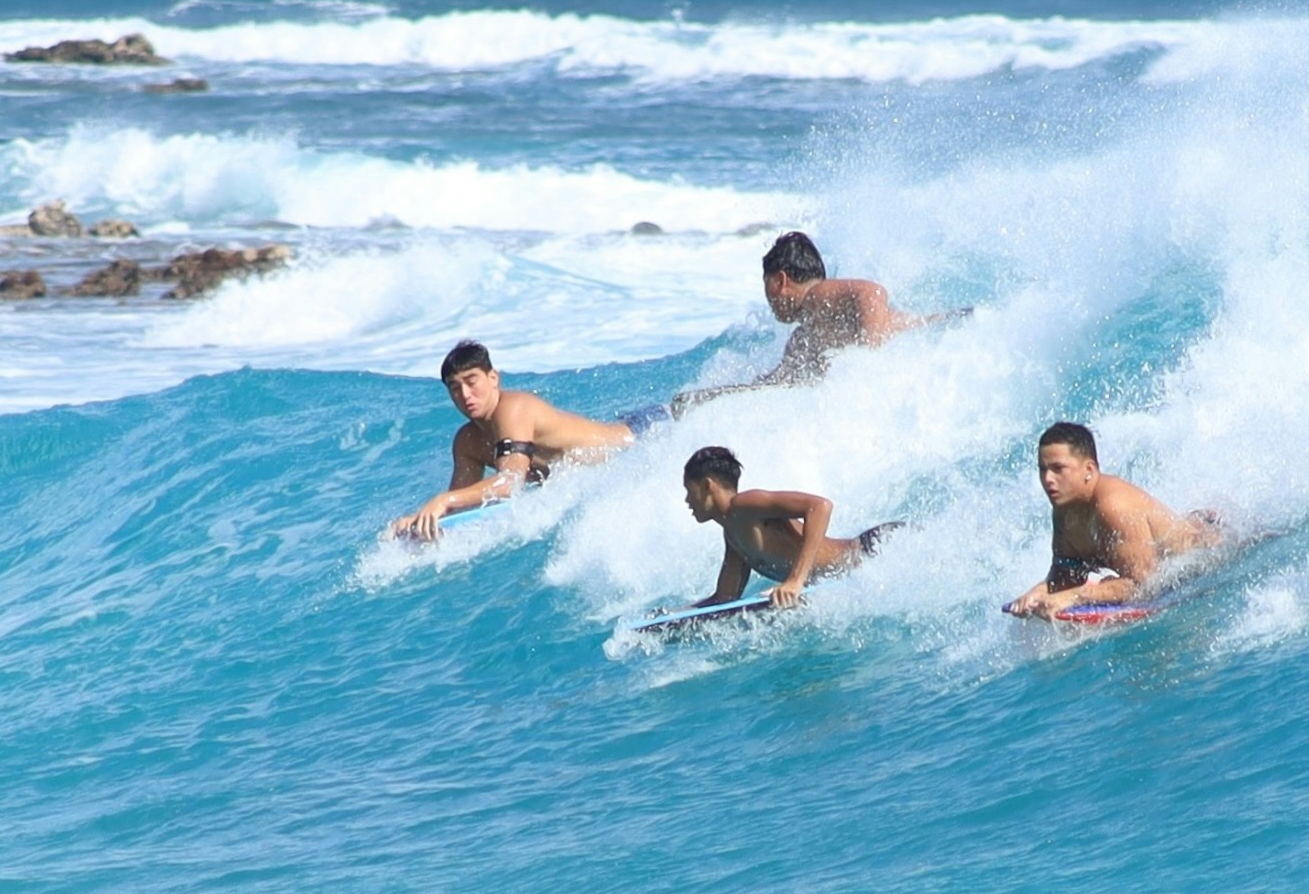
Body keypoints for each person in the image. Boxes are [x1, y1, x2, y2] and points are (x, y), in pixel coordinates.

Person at [390, 340, 637, 540]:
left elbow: (510, 483)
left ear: (493, 378)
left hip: (637, 439)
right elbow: (462, 502)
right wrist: (418, 519)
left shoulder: (513, 409)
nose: (465, 394)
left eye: (471, 381)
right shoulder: (467, 441)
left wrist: (444, 500)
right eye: (455, 387)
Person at [673, 231, 943, 410]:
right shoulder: (803, 339)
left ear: (780, 281)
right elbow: (771, 387)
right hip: (937, 349)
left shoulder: (818, 296)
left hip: (942, 331)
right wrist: (706, 397)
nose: (769, 299)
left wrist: (869, 363)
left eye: (766, 286)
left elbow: (872, 292)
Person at [1005, 421, 1220, 618]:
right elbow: (1065, 576)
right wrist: (1037, 594)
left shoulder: (1114, 507)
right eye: (1043, 470)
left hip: (1214, 552)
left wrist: (1074, 596)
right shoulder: (1064, 509)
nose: (1047, 479)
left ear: (1089, 469)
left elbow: (1144, 585)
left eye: (1058, 469)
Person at [678, 444, 902, 610]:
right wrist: (677, 614)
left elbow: (820, 507)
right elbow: (725, 599)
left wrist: (796, 580)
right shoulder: (733, 536)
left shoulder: (745, 505)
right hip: (861, 564)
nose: (687, 501)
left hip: (876, 550)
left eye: (689, 490)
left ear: (707, 485)